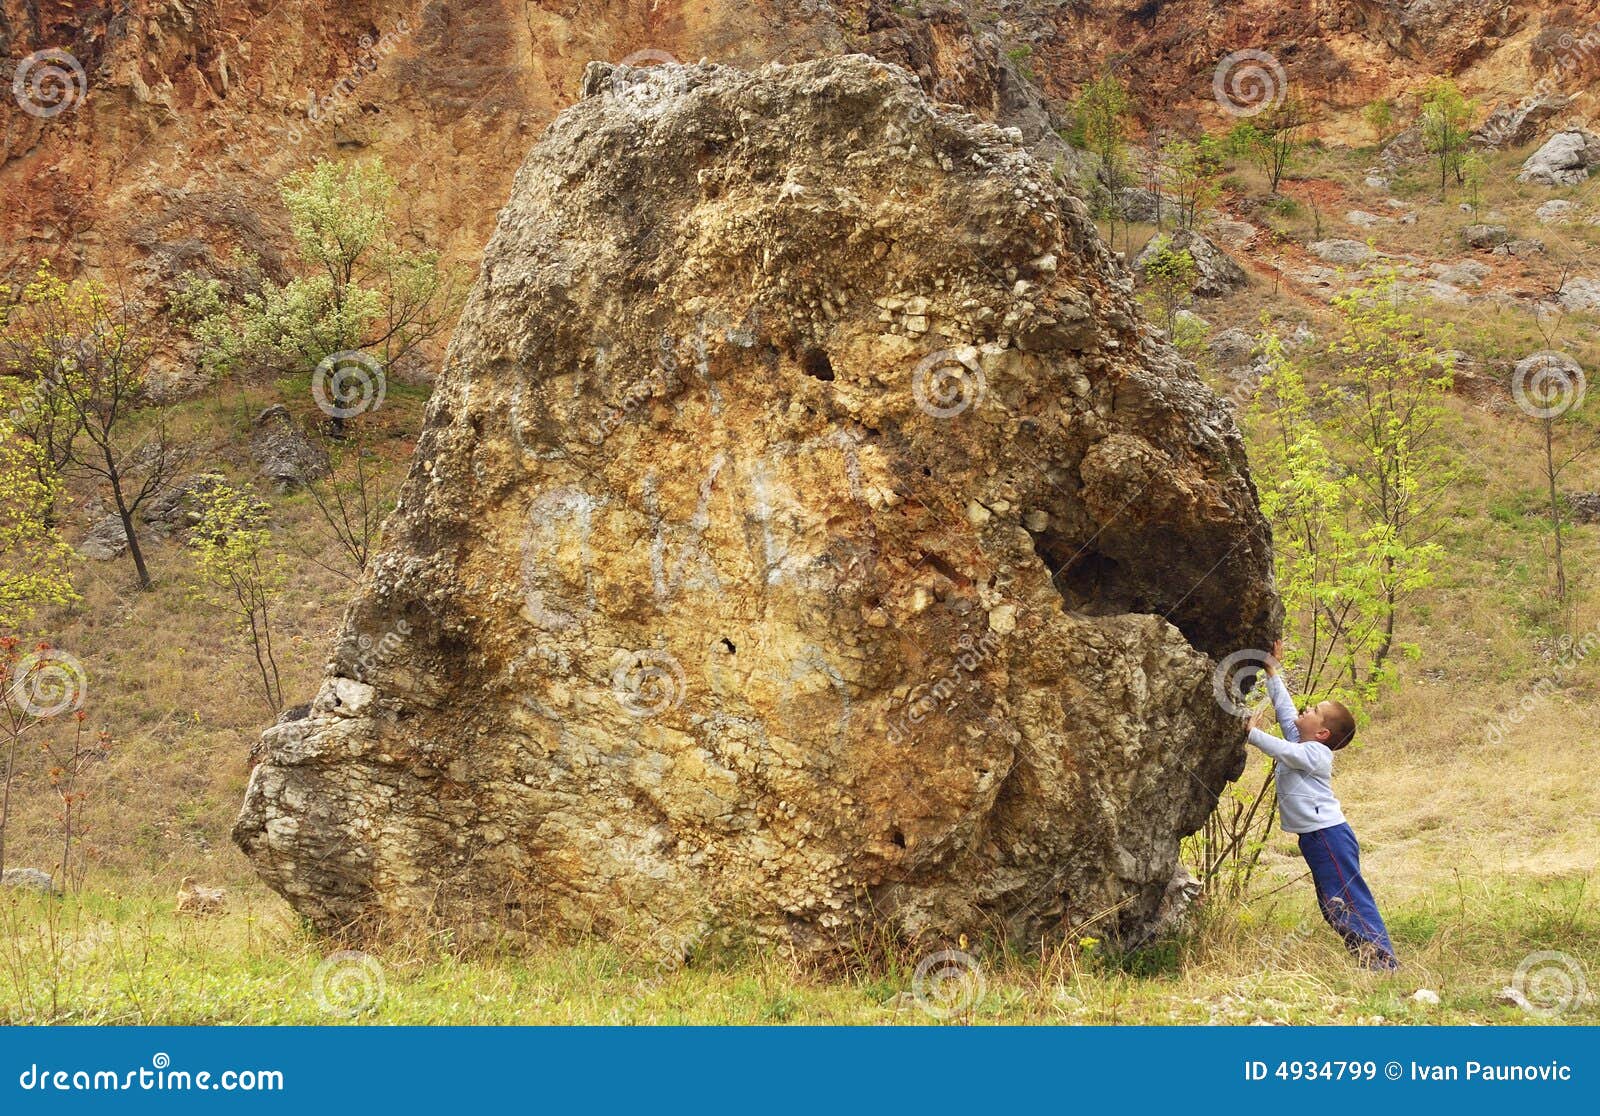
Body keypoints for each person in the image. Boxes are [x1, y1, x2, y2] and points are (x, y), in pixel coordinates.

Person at [1246, 639, 1398, 970]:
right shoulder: (1305, 739)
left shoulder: (1316, 754)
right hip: (1317, 838)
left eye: (1314, 711)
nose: (1306, 709)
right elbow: (1287, 712)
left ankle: (1384, 963)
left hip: (1329, 836)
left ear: (1323, 733)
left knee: (1348, 900)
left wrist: (1252, 734)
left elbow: (1287, 752)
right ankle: (1368, 958)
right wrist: (1272, 671)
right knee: (1333, 905)